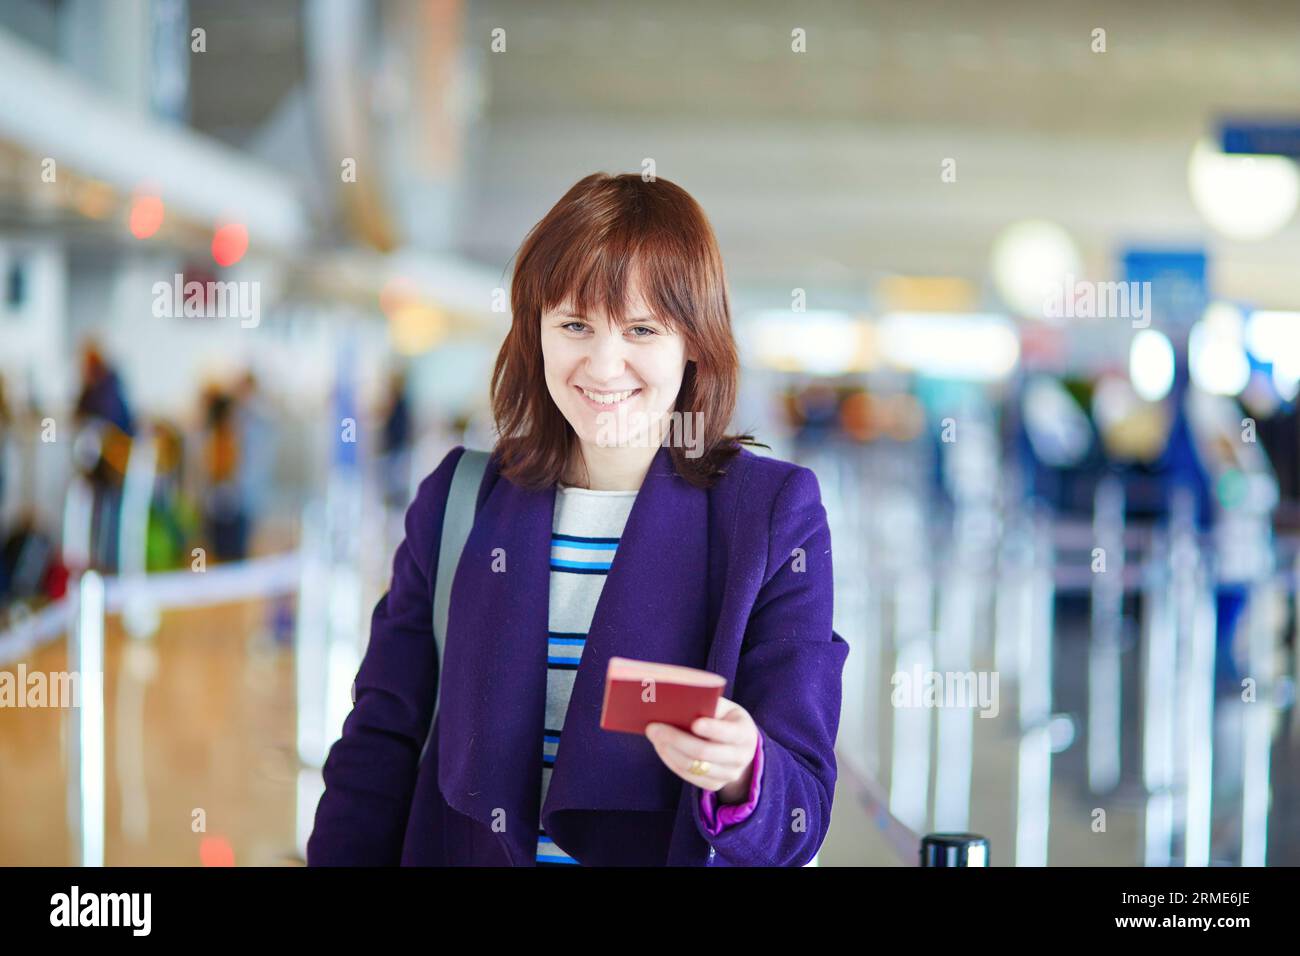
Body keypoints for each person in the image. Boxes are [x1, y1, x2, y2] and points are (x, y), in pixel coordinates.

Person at [308, 172, 849, 866]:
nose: (603, 362)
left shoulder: (769, 519)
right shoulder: (461, 502)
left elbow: (800, 810)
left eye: (641, 329)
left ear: (692, 343)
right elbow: (378, 744)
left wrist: (747, 770)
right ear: (536, 332)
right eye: (574, 324)